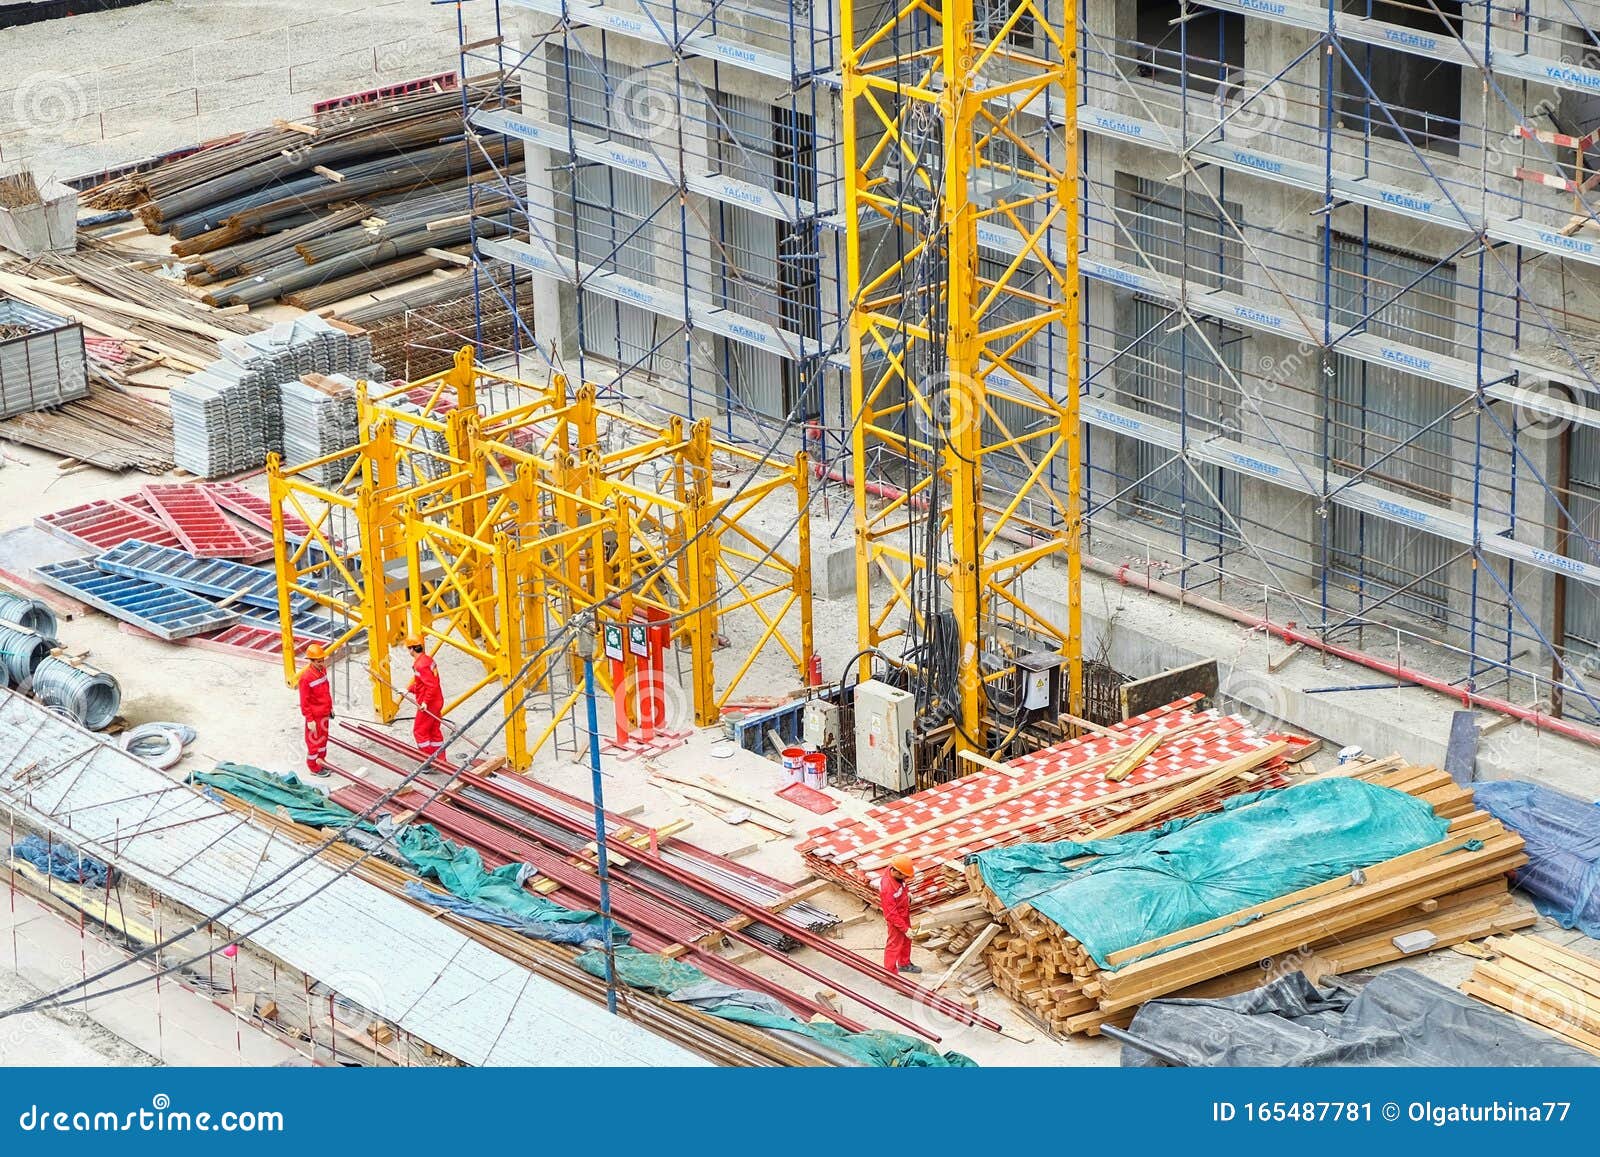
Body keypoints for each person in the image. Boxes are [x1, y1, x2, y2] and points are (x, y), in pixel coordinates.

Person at [879, 854, 920, 974]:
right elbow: (890, 914)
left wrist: (906, 894)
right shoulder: (888, 888)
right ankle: (890, 973)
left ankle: (904, 963)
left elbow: (902, 885)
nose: (906, 878)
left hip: (903, 911)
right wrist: (904, 928)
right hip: (896, 918)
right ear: (896, 872)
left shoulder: (895, 871)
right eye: (904, 876)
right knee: (894, 945)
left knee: (907, 939)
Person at [406, 634, 445, 759]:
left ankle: (428, 760)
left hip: (429, 703)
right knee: (434, 731)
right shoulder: (427, 660)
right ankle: (441, 760)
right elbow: (423, 684)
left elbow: (431, 685)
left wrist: (425, 702)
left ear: (411, 649)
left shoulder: (420, 665)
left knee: (420, 731)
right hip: (437, 700)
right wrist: (408, 690)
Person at [297, 643, 333, 777]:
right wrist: (309, 719)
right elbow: (304, 701)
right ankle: (313, 767)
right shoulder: (306, 678)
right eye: (318, 661)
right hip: (315, 716)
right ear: (311, 661)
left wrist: (330, 708)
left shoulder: (323, 671)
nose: (322, 663)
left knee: (323, 739)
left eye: (322, 660)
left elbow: (326, 691)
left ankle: (321, 761)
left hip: (324, 712)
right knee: (314, 742)